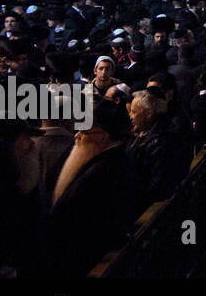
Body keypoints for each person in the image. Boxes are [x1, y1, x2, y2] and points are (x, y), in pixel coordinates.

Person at [37, 101, 142, 278]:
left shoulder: (106, 173)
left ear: (103, 136)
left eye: (84, 131)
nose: (77, 136)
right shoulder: (105, 161)